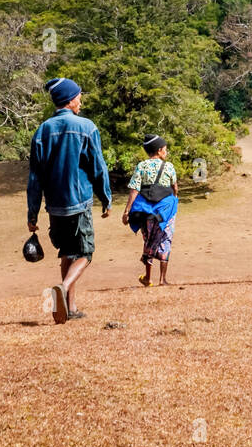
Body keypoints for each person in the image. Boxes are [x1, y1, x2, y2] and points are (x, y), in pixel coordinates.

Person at [27, 77, 111, 323]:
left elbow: (34, 178)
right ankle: (62, 289)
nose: (81, 100)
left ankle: (70, 308)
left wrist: (32, 213)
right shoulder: (86, 127)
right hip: (79, 202)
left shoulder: (42, 131)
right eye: (79, 96)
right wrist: (105, 197)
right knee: (86, 253)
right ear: (70, 99)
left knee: (68, 252)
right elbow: (98, 167)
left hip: (54, 206)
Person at [122, 134, 179, 287]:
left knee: (149, 239)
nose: (166, 152)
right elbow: (175, 188)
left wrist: (127, 211)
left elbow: (134, 189)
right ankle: (162, 279)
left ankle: (148, 278)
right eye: (165, 150)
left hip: (146, 210)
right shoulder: (169, 166)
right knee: (165, 239)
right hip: (164, 211)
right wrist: (173, 201)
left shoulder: (141, 166)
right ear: (160, 150)